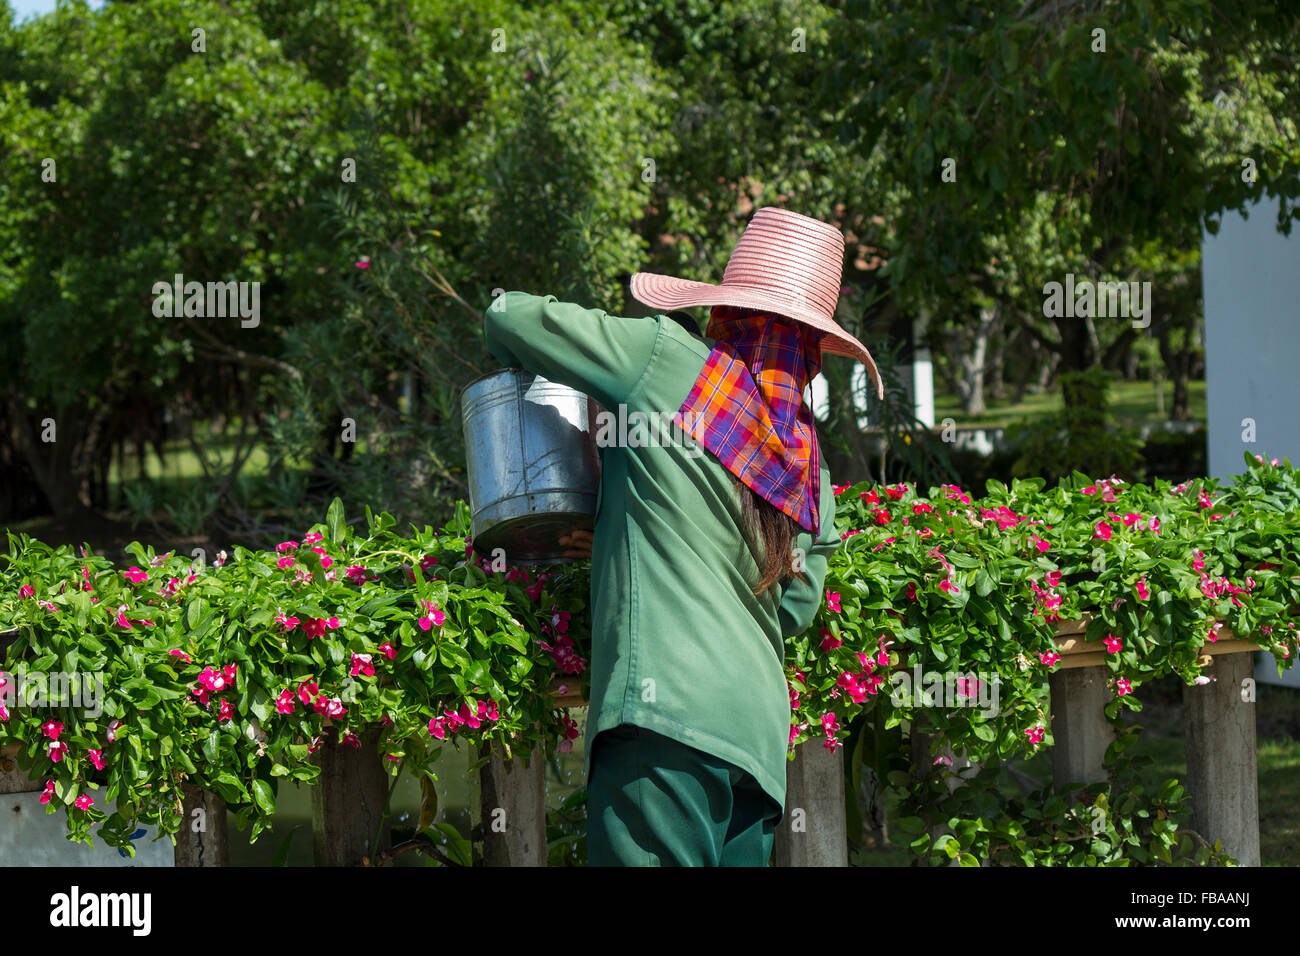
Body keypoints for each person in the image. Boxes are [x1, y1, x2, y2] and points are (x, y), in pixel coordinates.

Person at [482, 206, 883, 866]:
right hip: (754, 740)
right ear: (811, 346)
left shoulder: (665, 362)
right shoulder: (809, 463)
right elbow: (794, 609)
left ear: (728, 308)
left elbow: (510, 317)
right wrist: (623, 531)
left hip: (661, 724)